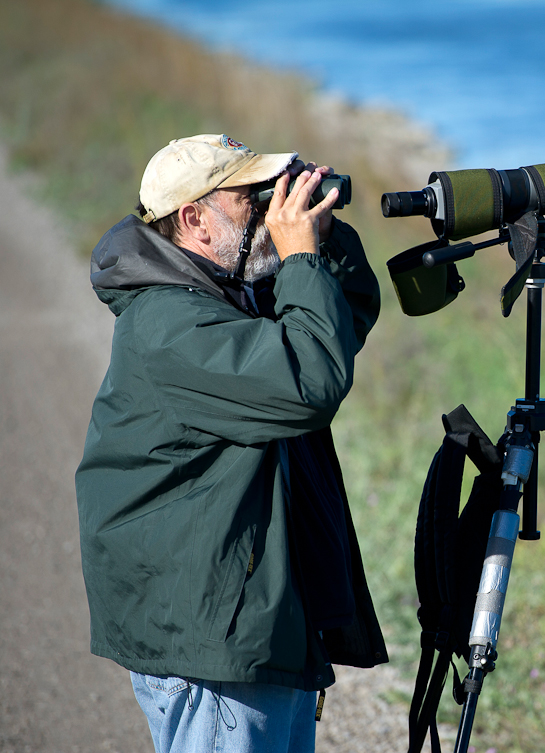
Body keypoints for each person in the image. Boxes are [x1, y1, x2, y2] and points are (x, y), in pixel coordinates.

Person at [75, 134, 386, 753]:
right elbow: (310, 380)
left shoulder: (225, 290)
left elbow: (343, 313)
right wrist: (297, 258)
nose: (271, 210)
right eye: (252, 198)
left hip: (247, 617)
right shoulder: (172, 324)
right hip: (216, 638)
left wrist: (317, 233)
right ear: (193, 218)